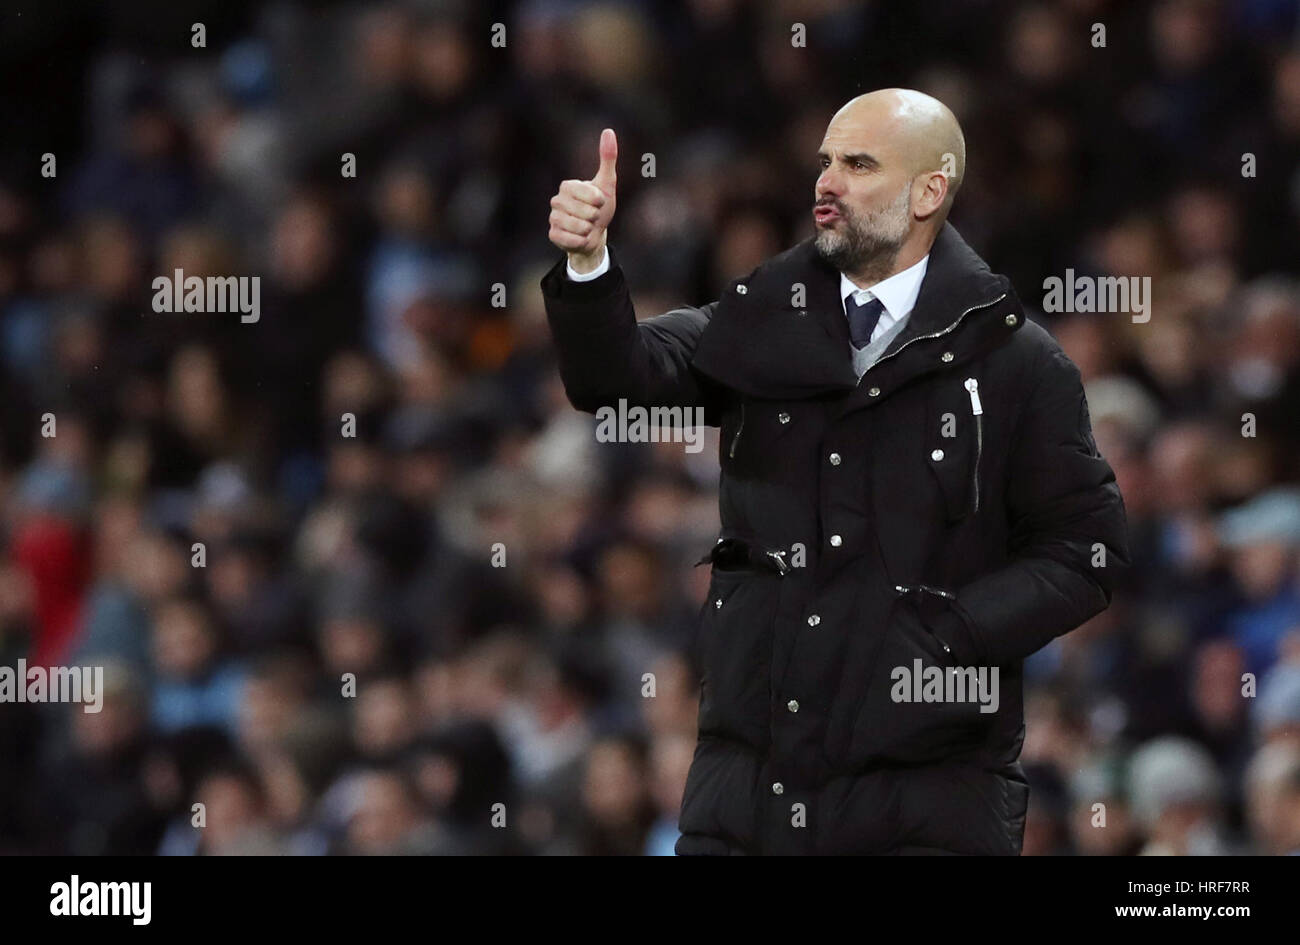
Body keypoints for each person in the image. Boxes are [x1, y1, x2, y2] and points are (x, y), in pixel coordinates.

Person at [541, 89, 1130, 855]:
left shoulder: (1017, 364)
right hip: (746, 791)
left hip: (930, 799)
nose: (827, 182)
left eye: (858, 163)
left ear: (930, 191)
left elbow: (1087, 549)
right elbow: (620, 380)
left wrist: (946, 635)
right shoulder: (761, 313)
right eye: (824, 161)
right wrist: (589, 267)